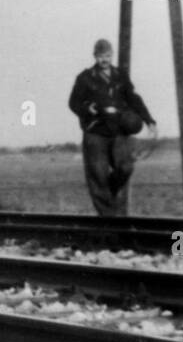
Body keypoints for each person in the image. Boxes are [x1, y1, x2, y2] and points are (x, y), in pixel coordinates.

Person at [67, 38, 157, 217]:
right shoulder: (85, 78)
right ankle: (110, 221)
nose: (104, 60)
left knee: (125, 167)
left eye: (107, 56)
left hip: (118, 132)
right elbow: (73, 103)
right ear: (95, 56)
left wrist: (149, 120)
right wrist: (87, 109)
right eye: (101, 56)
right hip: (95, 132)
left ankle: (110, 198)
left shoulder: (120, 76)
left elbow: (133, 98)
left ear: (112, 55)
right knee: (98, 177)